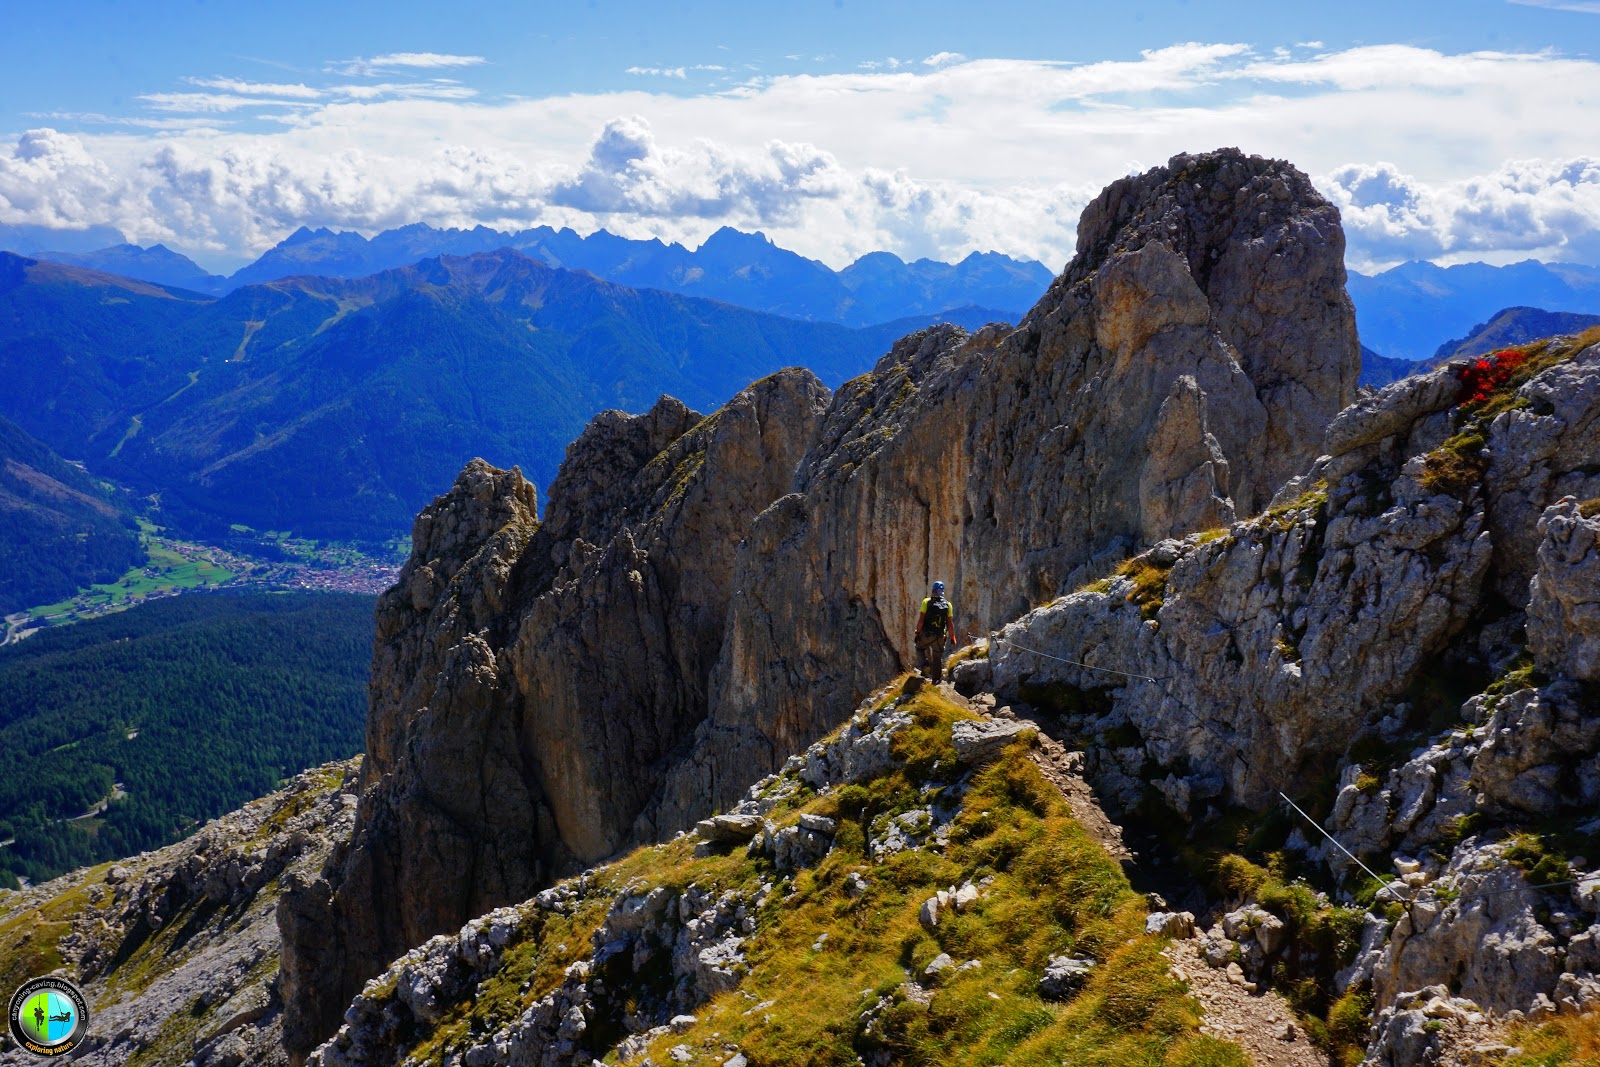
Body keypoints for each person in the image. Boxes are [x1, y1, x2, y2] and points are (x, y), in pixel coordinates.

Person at [913, 580, 957, 682]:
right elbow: (950, 624)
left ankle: (925, 666)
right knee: (937, 656)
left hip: (926, 634)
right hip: (940, 636)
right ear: (942, 592)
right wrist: (952, 637)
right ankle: (936, 680)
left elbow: (921, 620)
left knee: (919, 648)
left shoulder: (926, 602)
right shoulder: (948, 605)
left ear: (933, 591)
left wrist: (917, 633)